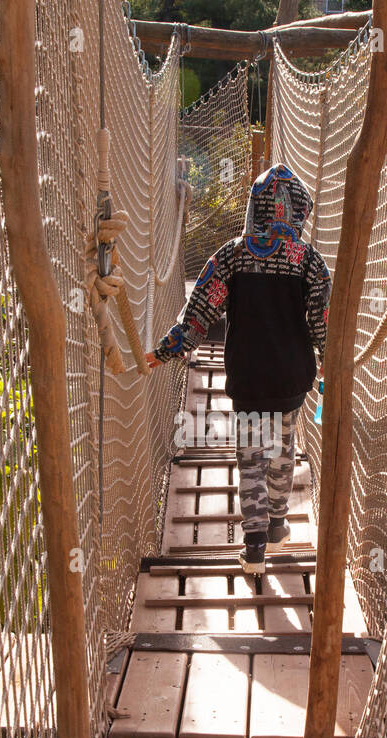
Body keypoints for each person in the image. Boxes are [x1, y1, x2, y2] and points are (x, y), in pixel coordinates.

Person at [146, 163, 331, 574]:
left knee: (251, 458)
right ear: (299, 211)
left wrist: (167, 349)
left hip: (249, 379)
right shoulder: (309, 261)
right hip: (291, 381)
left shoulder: (230, 255)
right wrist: (330, 365)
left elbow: (200, 311)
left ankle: (254, 546)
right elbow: (323, 321)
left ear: (255, 208)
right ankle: (279, 522)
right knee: (282, 452)